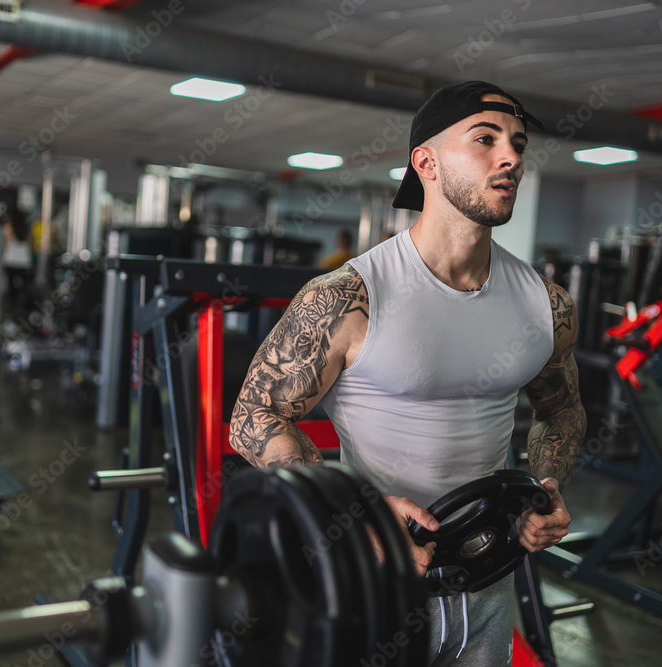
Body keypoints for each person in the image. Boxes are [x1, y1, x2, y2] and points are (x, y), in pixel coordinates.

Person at [229, 81, 586, 665]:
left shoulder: (546, 305)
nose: (512, 157)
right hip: (376, 580)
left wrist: (548, 490)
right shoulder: (348, 297)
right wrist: (356, 518)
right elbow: (251, 418)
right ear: (427, 162)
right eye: (485, 139)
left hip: (489, 581)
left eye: (518, 144)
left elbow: (562, 410)